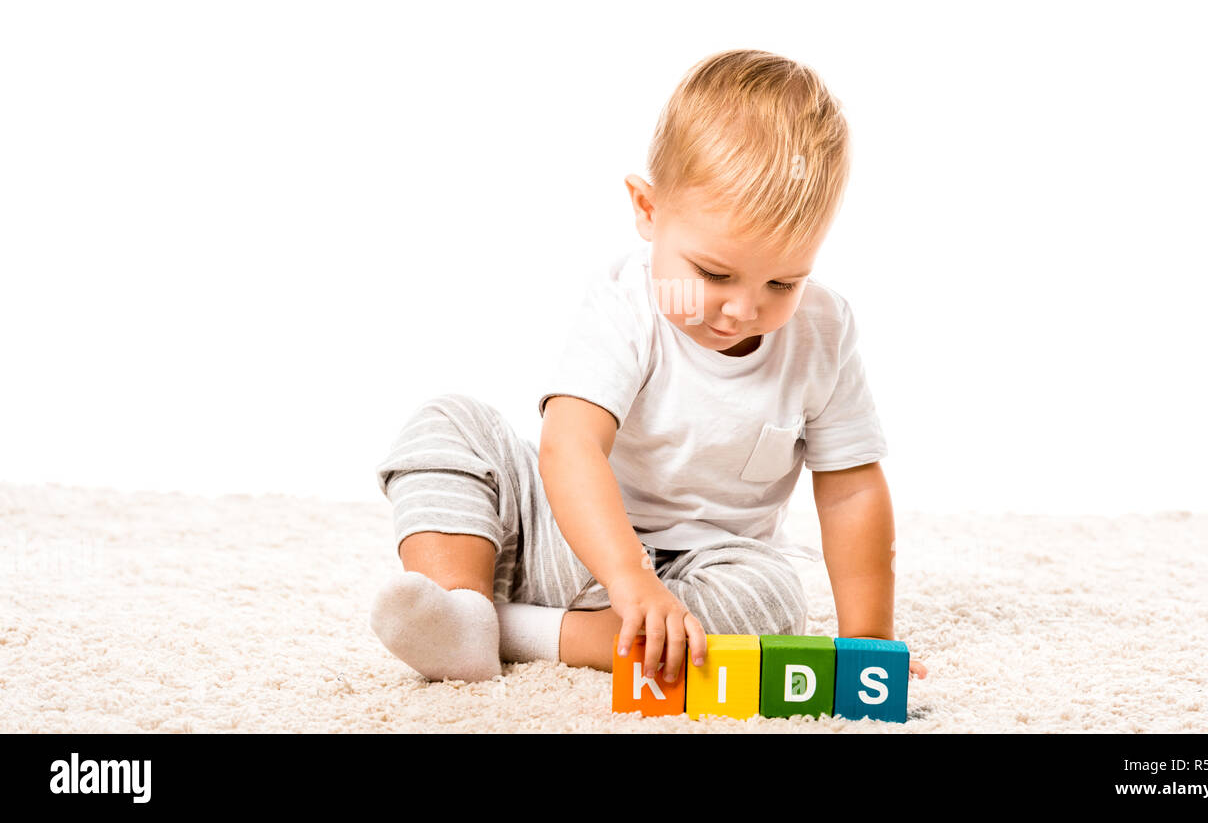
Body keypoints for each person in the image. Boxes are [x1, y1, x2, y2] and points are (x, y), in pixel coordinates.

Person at [368, 48, 928, 688]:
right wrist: (628, 578)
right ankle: (460, 604)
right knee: (449, 422)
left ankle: (509, 631)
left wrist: (869, 642)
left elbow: (852, 486)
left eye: (783, 281)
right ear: (647, 209)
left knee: (771, 598)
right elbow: (569, 446)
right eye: (713, 274)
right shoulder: (625, 304)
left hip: (701, 572)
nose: (742, 309)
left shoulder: (824, 332)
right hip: (569, 534)